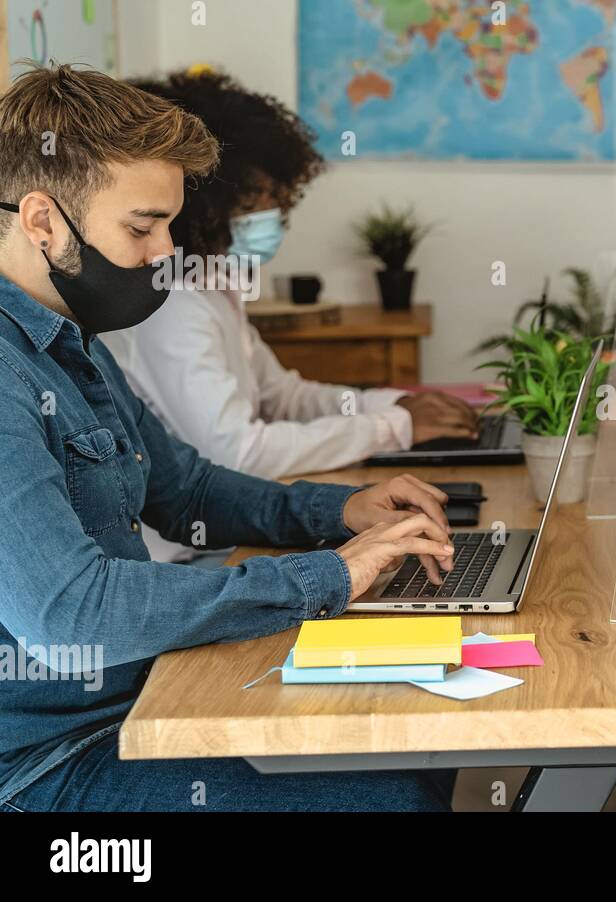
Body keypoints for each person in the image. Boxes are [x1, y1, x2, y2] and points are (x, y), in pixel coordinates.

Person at [0, 65, 459, 812]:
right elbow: (71, 614)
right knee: (393, 794)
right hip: (41, 768)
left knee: (413, 733)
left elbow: (187, 490)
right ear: (43, 221)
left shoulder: (68, 339)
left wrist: (342, 514)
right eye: (142, 227)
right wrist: (327, 577)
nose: (164, 253)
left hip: (135, 701)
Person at [101, 69, 478, 561]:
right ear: (207, 200)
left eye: (278, 205)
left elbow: (283, 395)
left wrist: (394, 404)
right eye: (256, 203)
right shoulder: (171, 304)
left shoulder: (213, 286)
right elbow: (239, 453)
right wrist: (392, 427)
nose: (271, 221)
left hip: (233, 536)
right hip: (196, 557)